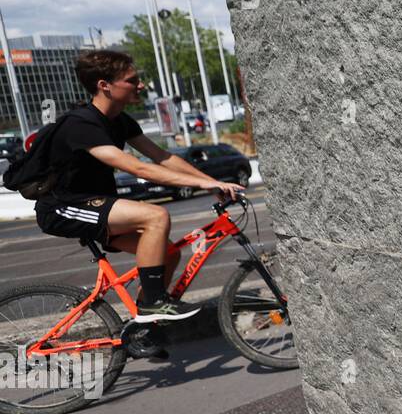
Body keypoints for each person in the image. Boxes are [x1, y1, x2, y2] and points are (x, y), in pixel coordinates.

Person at [33, 49, 245, 358]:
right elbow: (138, 168)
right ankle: (151, 304)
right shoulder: (81, 124)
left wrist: (212, 182)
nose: (141, 85)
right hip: (62, 207)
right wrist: (202, 183)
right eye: (132, 80)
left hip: (97, 204)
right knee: (155, 216)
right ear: (105, 85)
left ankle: (145, 328)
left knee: (168, 254)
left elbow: (162, 156)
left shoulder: (119, 120)